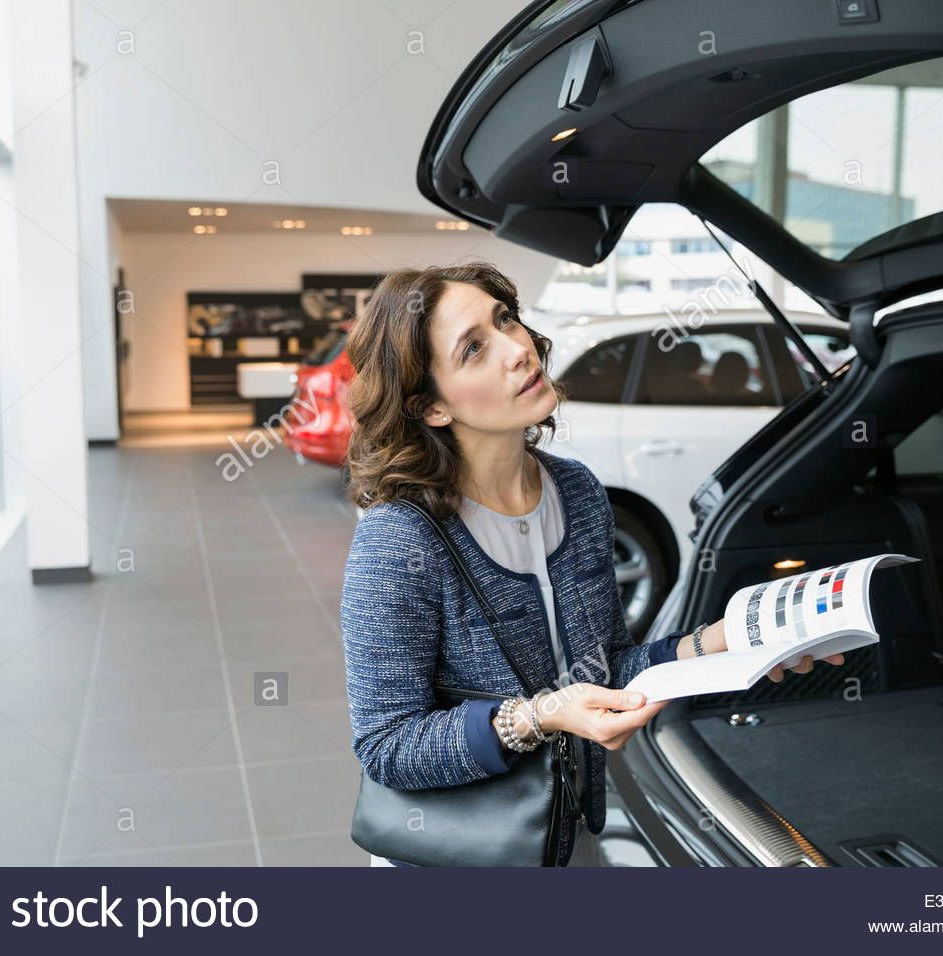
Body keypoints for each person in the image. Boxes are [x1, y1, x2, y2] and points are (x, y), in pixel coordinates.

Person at [339, 262, 842, 867]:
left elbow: (610, 666)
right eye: (474, 348)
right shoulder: (399, 537)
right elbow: (387, 746)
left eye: (506, 320)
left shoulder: (575, 492)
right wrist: (540, 717)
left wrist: (731, 641)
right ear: (432, 408)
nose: (518, 349)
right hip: (454, 855)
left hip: (565, 830)